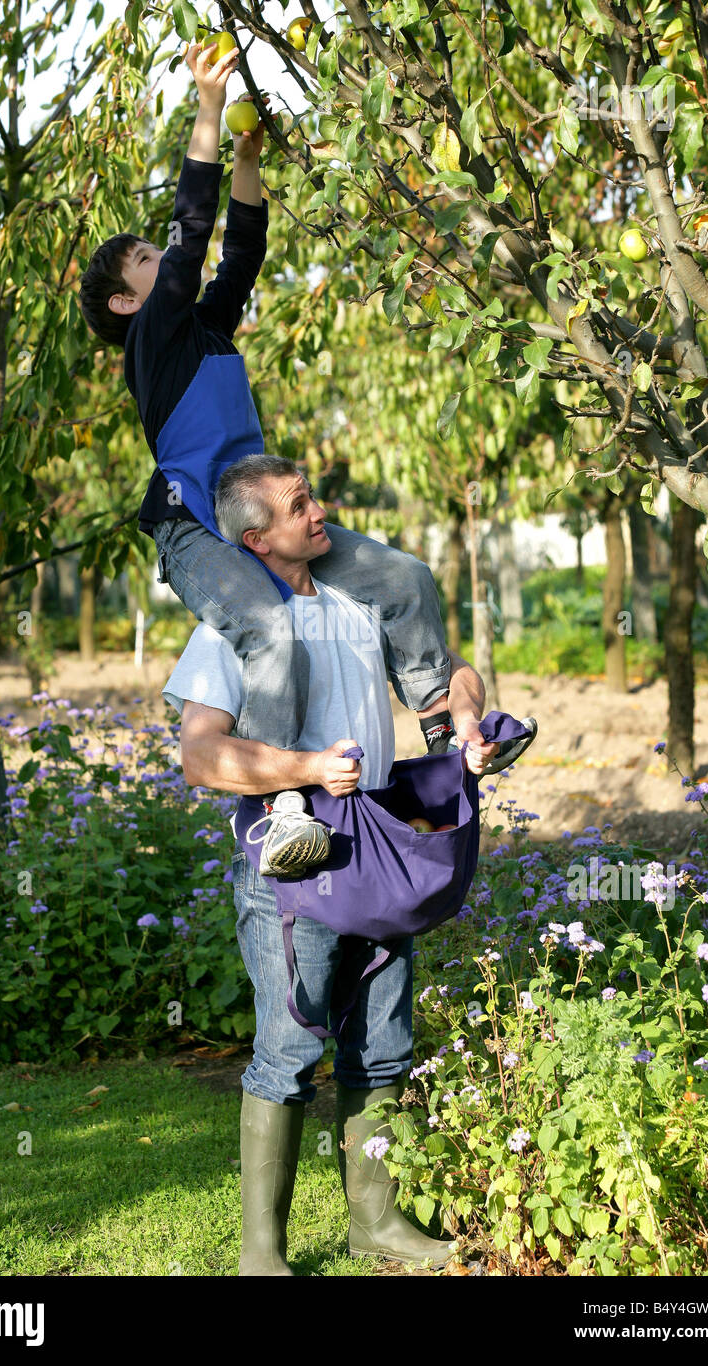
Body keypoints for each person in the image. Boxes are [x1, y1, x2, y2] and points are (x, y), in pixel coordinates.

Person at [78, 38, 463, 879]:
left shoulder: (202, 330)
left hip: (261, 513)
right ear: (126, 302)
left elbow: (239, 255)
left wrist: (249, 159)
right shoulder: (151, 341)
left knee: (402, 579)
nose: (166, 263)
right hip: (196, 527)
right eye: (147, 262)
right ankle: (284, 801)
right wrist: (210, 109)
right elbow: (193, 236)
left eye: (156, 255)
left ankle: (440, 721)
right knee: (271, 628)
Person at [163, 454, 503, 1277]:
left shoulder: (360, 603)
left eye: (312, 497)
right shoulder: (230, 628)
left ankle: (376, 1223)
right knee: (287, 1052)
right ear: (256, 539)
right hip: (293, 854)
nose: (320, 514)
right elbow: (200, 756)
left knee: (383, 1043)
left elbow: (450, 675)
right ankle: (262, 1253)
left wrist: (465, 719)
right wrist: (304, 769)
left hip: (377, 839)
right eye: (298, 506)